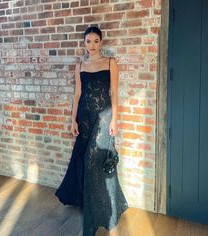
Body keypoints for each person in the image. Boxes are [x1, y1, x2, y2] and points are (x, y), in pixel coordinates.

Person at [55, 26, 129, 236]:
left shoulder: (110, 62)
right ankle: (90, 204)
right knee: (82, 162)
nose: (92, 45)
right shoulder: (79, 65)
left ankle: (101, 212)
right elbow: (77, 95)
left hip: (104, 118)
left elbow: (114, 93)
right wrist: (72, 120)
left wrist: (115, 119)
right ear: (84, 43)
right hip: (84, 119)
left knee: (94, 162)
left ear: (101, 42)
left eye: (96, 41)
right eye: (89, 41)